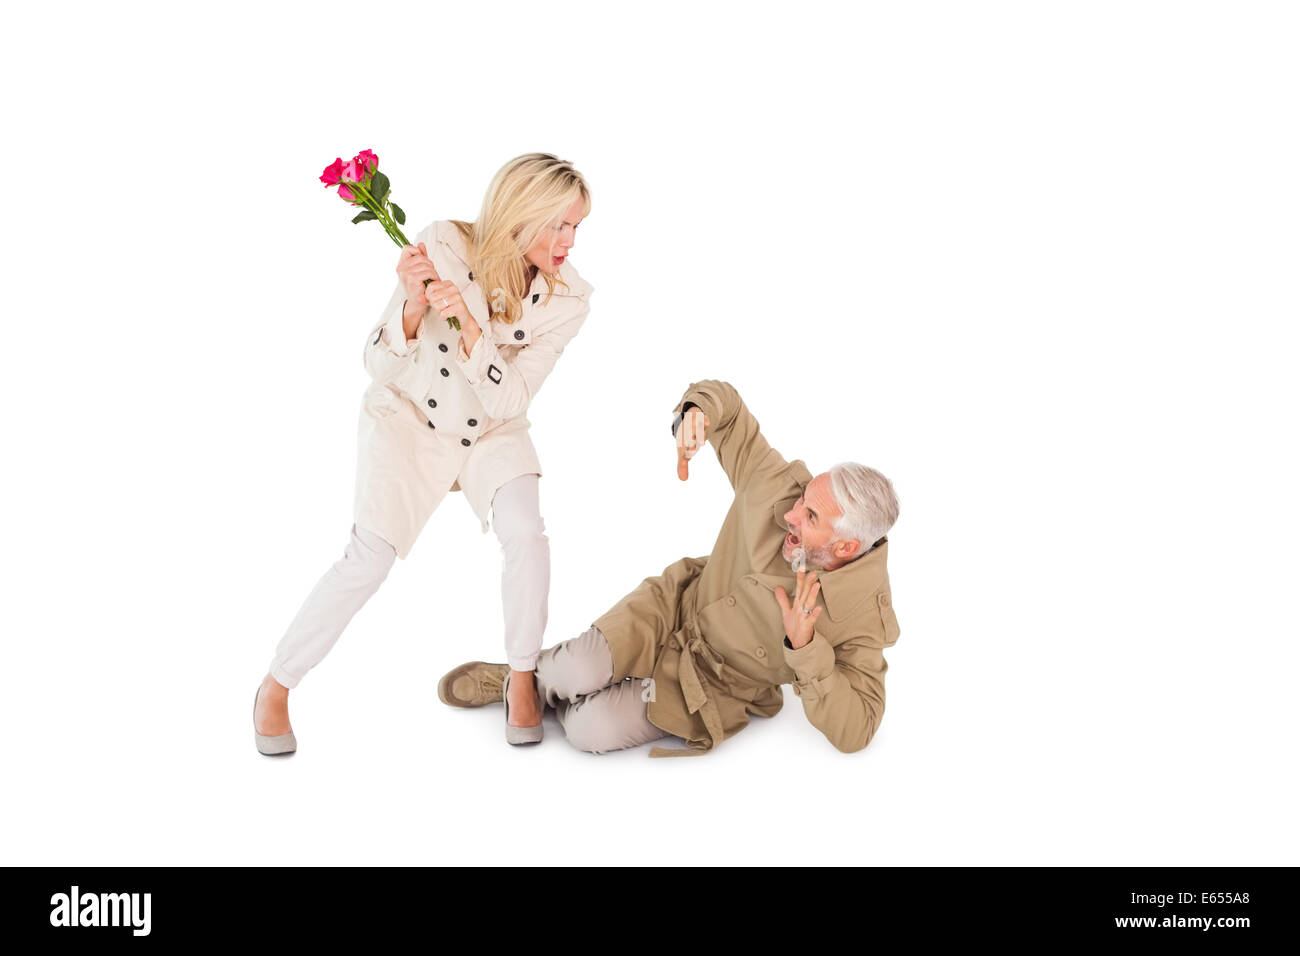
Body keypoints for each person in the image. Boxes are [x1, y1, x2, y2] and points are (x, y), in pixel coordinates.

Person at [254, 153, 594, 753]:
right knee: (369, 558)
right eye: (558, 225)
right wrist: (412, 308)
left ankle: (520, 676)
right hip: (410, 419)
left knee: (526, 533)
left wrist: (468, 324)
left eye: (576, 227)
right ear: (521, 214)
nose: (569, 242)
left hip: (492, 428)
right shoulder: (443, 244)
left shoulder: (569, 300)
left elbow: (510, 396)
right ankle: (277, 684)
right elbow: (378, 364)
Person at [438, 380, 902, 758]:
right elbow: (731, 411)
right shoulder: (777, 488)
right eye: (803, 501)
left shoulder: (863, 617)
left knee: (587, 731)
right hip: (675, 607)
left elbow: (857, 730)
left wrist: (805, 648)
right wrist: (697, 414)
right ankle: (520, 680)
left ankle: (543, 686)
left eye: (811, 517)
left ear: (846, 545)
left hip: (713, 683)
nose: (791, 515)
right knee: (575, 669)